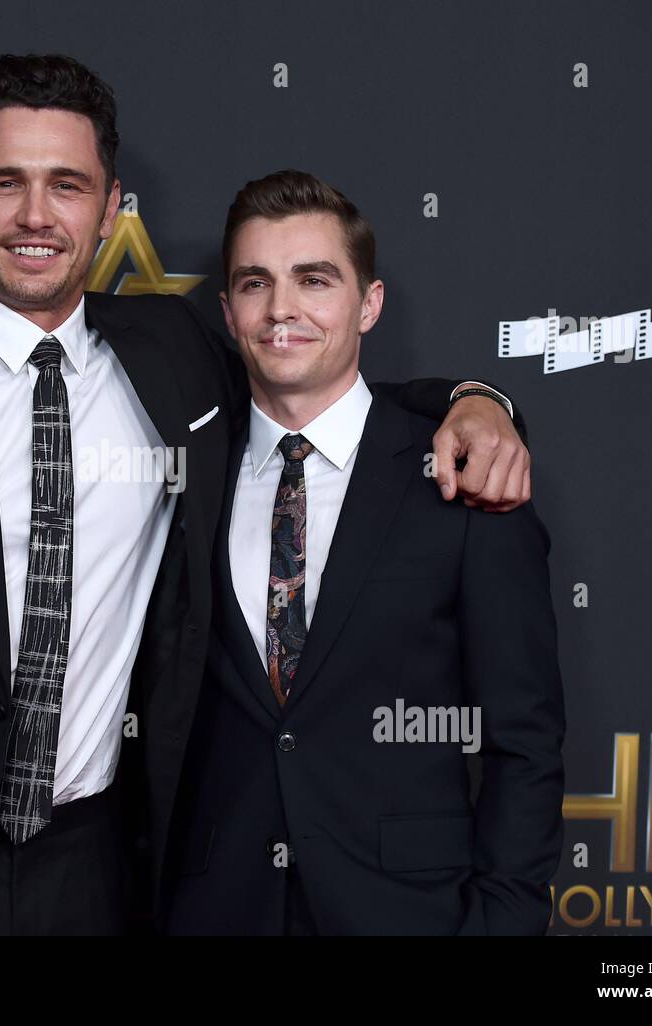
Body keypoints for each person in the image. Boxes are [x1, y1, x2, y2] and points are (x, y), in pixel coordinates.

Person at [0, 54, 532, 936]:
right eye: (5, 183)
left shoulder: (173, 357)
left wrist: (476, 401)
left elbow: (315, 373)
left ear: (109, 211)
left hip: (100, 876)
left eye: (68, 186)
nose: (37, 216)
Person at [165, 170, 565, 935]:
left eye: (315, 280)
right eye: (256, 283)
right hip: (214, 910)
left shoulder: (464, 474)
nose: (282, 309)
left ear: (368, 304)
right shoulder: (183, 470)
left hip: (408, 913)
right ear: (227, 310)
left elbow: (526, 743)